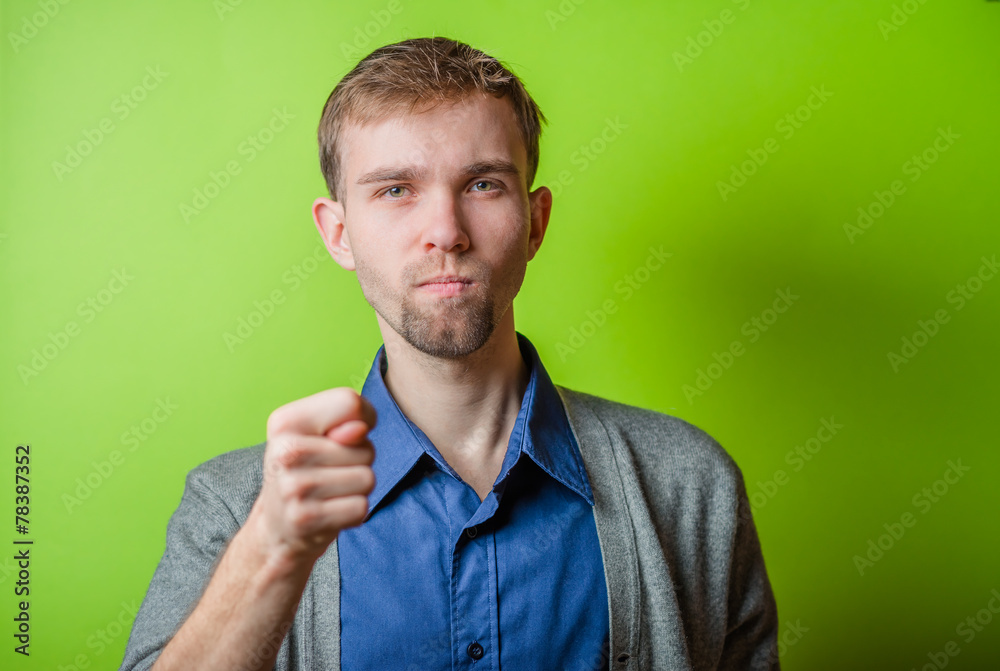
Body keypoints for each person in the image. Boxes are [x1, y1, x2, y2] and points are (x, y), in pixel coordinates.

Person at [120, 36, 780, 671]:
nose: (445, 232)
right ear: (339, 233)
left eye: (483, 184)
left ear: (536, 221)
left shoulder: (690, 486)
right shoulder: (233, 507)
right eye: (395, 190)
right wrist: (269, 553)